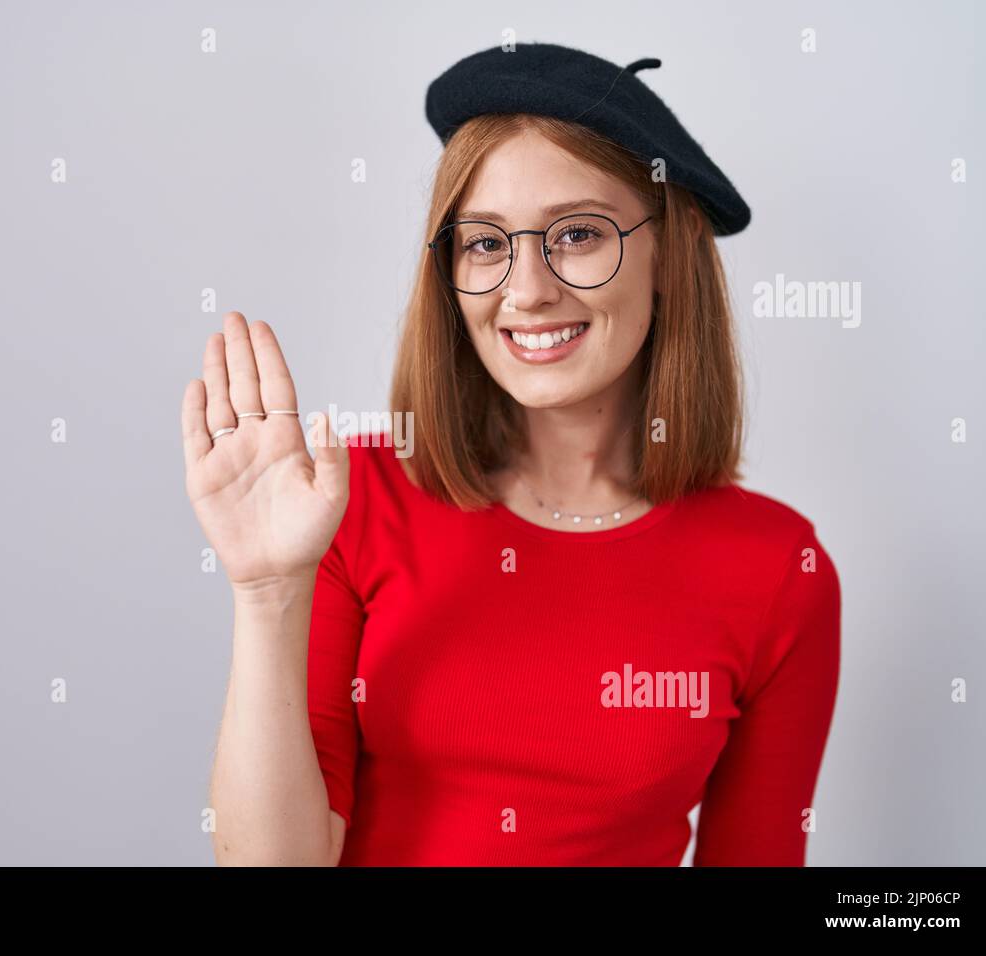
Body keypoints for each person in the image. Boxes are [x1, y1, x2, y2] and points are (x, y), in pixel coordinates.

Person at [182, 43, 840, 866]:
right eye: (486, 244)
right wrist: (269, 589)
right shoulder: (345, 502)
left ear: (668, 253)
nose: (526, 290)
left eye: (576, 235)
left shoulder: (779, 567)